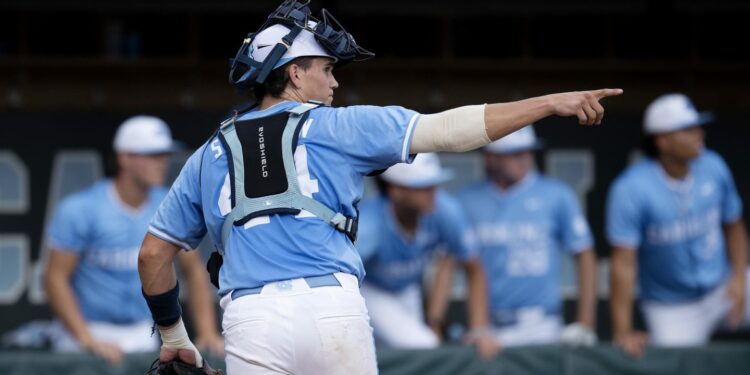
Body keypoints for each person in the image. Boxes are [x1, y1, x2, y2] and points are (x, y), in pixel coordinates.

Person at [136, 1, 621, 374]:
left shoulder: (206, 154)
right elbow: (450, 131)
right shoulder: (337, 127)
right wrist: (549, 101)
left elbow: (153, 257)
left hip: (253, 319)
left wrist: (174, 334)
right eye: (326, 68)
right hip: (333, 309)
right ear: (293, 72)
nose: (333, 83)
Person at [43, 116, 224, 364]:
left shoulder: (168, 204)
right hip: (85, 332)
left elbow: (193, 271)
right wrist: (85, 337)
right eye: (152, 154)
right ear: (124, 157)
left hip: (142, 332)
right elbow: (55, 278)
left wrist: (206, 333)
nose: (162, 161)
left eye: (165, 154)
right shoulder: (82, 208)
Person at [608, 93, 749, 357]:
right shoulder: (631, 188)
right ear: (662, 140)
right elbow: (623, 264)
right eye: (687, 129)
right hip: (672, 307)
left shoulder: (713, 165)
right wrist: (623, 329)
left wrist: (739, 279)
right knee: (673, 365)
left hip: (722, 286)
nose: (699, 134)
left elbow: (735, 227)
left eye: (697, 126)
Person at [454, 125, 597, 348]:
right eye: (515, 153)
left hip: (540, 324)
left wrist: (585, 322)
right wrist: (474, 325)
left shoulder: (556, 195)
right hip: (489, 327)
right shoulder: (468, 199)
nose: (524, 159)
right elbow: (450, 262)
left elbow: (585, 256)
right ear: (491, 158)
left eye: (527, 151)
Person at [356, 153, 497, 357]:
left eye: (434, 184)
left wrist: (478, 329)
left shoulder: (446, 210)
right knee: (423, 345)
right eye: (422, 186)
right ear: (396, 190)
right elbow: (340, 274)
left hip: (408, 289)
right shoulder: (370, 222)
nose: (433, 192)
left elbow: (473, 268)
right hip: (368, 289)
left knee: (415, 358)